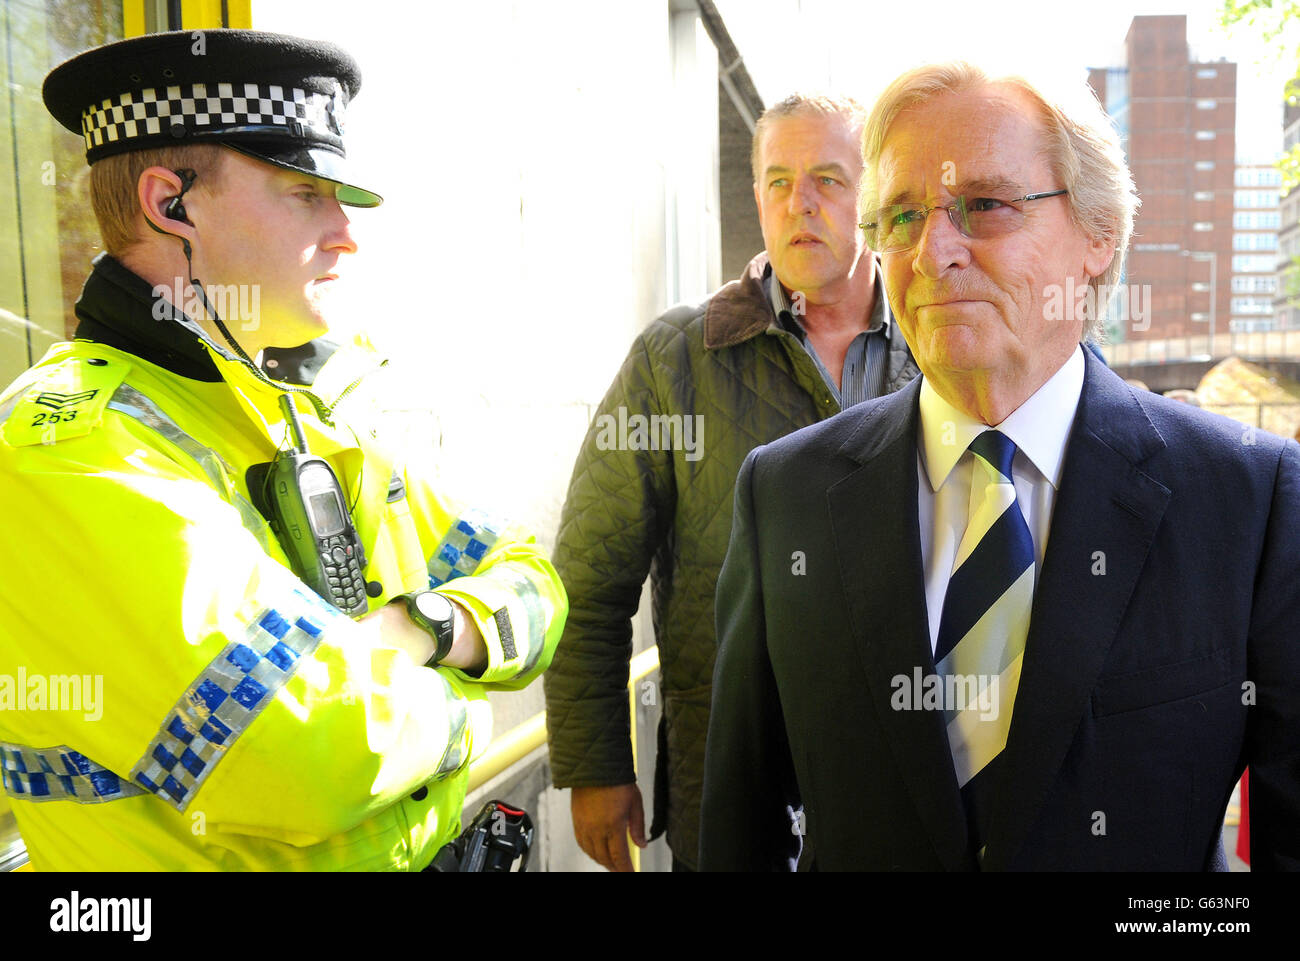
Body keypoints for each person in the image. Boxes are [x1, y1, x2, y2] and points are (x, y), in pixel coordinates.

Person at [700, 61, 1300, 871]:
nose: (933, 250)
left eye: (983, 205)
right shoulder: (785, 497)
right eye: (902, 216)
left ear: (1099, 236)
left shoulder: (1249, 501)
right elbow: (742, 828)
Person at [0, 29, 566, 871]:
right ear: (171, 204)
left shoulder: (309, 410)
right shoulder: (69, 450)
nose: (347, 235)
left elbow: (534, 580)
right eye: (306, 194)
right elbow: (316, 758)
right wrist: (467, 708)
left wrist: (426, 623)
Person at [544, 94, 917, 871]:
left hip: (906, 789)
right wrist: (596, 766)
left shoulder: (938, 341)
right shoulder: (676, 357)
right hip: (728, 789)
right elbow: (590, 574)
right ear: (755, 197)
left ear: (874, 197)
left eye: (827, 179)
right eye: (778, 180)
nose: (799, 203)